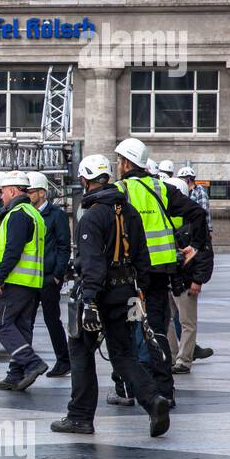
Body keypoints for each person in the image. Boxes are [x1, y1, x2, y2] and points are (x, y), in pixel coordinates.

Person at [51, 155, 171, 438]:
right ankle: (153, 400)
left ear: (85, 180)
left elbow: (93, 264)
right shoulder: (128, 211)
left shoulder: (91, 216)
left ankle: (80, 416)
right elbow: (143, 259)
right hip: (125, 292)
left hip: (99, 293)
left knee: (80, 351)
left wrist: (90, 301)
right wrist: (137, 292)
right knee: (123, 354)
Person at [111, 137, 207, 408]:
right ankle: (165, 390)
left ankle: (131, 388)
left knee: (130, 328)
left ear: (127, 163)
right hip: (161, 272)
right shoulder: (160, 188)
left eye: (119, 161)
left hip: (132, 274)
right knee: (157, 329)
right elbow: (197, 214)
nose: (118, 165)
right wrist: (194, 247)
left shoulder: (120, 190)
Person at [0, 170, 50, 391]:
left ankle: (32, 364)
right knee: (22, 328)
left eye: (3, 192)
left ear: (13, 190)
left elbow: (12, 250)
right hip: (30, 282)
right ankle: (15, 374)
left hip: (13, 282)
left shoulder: (17, 214)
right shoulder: (33, 213)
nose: (1, 196)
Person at [27, 171, 72, 377]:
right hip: (29, 276)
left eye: (31, 191)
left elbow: (64, 246)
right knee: (25, 320)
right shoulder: (27, 214)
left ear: (42, 193)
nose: (28, 195)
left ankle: (64, 361)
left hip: (47, 277)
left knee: (52, 320)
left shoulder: (56, 215)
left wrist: (57, 275)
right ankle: (23, 362)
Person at [178, 165, 215, 364]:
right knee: (174, 321)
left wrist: (198, 280)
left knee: (186, 321)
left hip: (185, 279)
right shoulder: (173, 220)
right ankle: (175, 356)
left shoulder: (195, 220)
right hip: (172, 279)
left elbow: (204, 253)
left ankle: (184, 358)